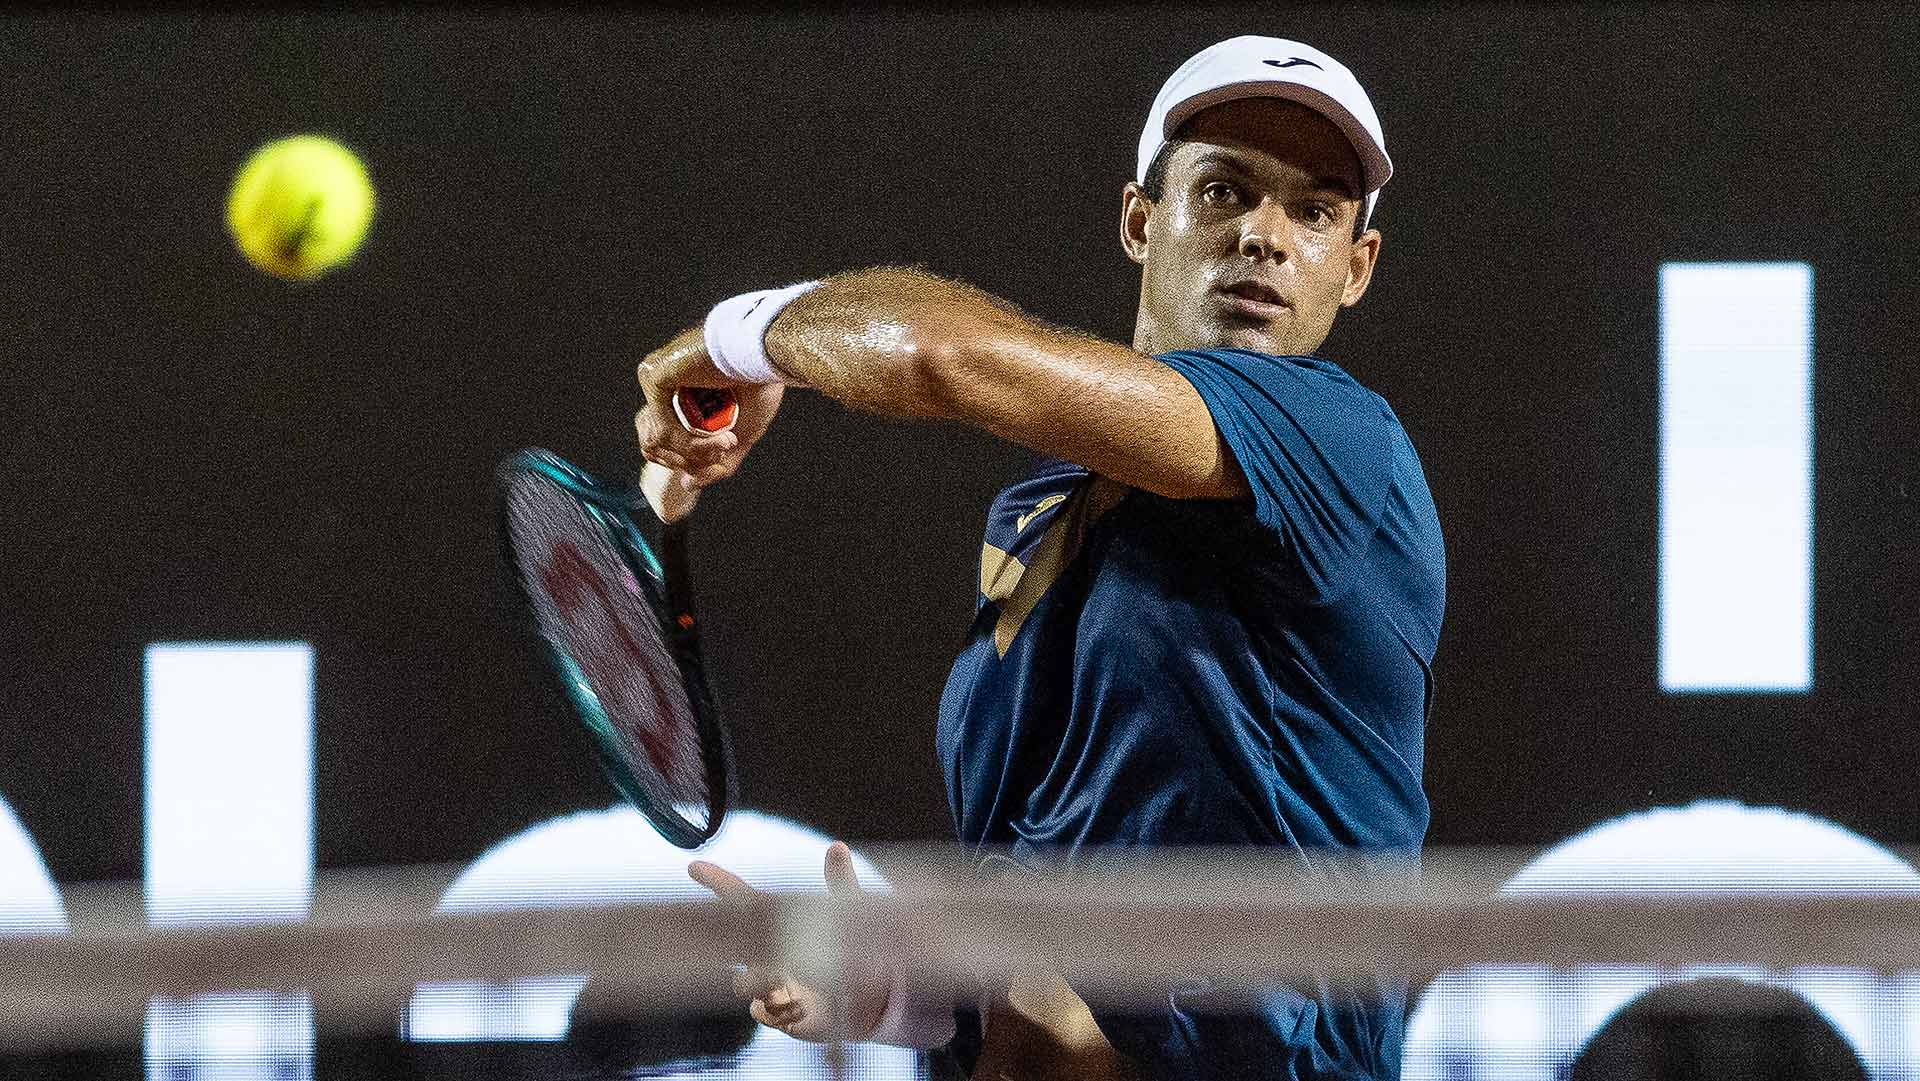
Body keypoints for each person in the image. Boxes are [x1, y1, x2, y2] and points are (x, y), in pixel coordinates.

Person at [645, 35, 1443, 1081]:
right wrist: (893, 995)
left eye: (1316, 210)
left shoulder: (1341, 441)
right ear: (1140, 220)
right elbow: (1034, 884)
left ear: (1357, 266)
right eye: (1223, 191)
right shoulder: (1038, 518)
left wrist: (741, 334)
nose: (1265, 236)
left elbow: (943, 355)